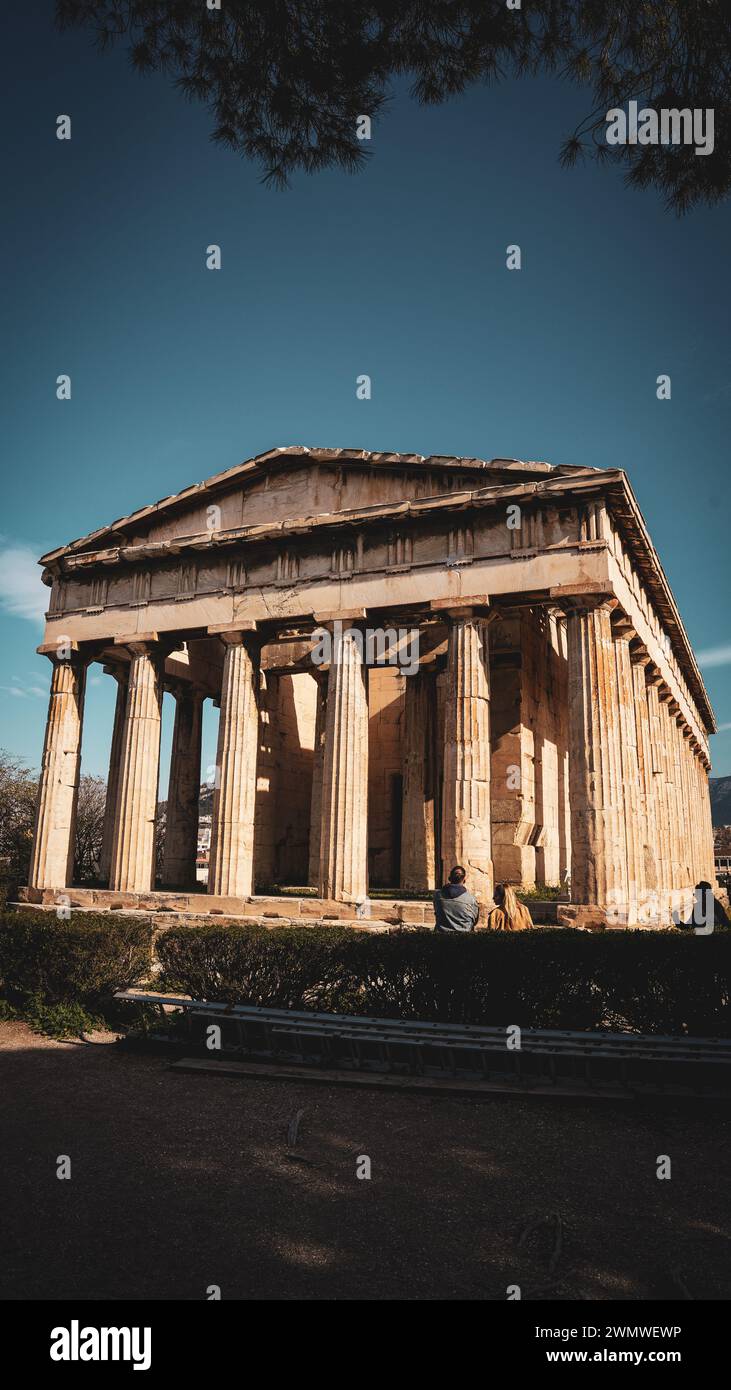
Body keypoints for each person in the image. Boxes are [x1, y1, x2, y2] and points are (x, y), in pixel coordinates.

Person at [433, 865, 480, 932]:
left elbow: (437, 913)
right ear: (464, 880)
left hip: (441, 937)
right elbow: (475, 921)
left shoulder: (437, 896)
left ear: (449, 878)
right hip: (464, 938)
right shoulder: (471, 899)